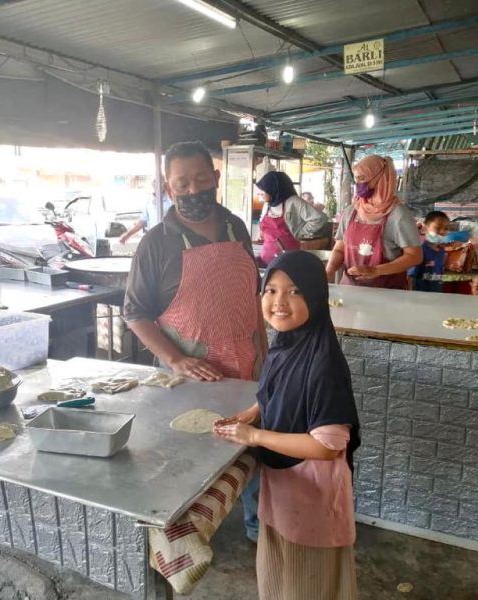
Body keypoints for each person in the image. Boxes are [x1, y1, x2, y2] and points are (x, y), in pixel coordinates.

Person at [124, 140, 266, 541]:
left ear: (216, 178)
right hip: (192, 376)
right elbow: (135, 313)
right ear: (168, 188)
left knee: (254, 446)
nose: (192, 190)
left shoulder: (236, 226)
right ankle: (187, 537)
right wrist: (176, 360)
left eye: (201, 179)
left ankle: (258, 527)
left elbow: (251, 296)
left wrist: (267, 353)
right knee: (190, 455)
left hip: (248, 365)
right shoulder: (156, 243)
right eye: (182, 183)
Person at [214, 251, 360, 600]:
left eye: (295, 291)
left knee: (307, 585)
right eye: (271, 290)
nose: (279, 302)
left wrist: (255, 435)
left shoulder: (323, 363)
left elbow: (327, 446)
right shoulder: (288, 343)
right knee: (278, 576)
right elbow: (278, 389)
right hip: (283, 487)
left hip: (311, 497)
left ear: (316, 297)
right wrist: (254, 411)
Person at [326, 155, 422, 288]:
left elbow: (414, 256)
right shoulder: (351, 211)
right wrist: (328, 271)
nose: (358, 184)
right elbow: (339, 249)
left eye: (362, 178)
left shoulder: (399, 215)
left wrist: (376, 270)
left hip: (387, 291)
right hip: (350, 289)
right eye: (356, 179)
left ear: (380, 178)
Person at [256, 171, 330, 266]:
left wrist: (299, 232)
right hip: (266, 259)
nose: (259, 193)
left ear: (273, 188)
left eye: (263, 190)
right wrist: (261, 234)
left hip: (288, 260)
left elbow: (319, 219)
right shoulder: (268, 205)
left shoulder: (293, 201)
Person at [408, 211, 450, 293]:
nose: (442, 232)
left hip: (436, 292)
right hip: (419, 294)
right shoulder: (419, 250)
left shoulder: (441, 250)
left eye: (446, 228)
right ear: (424, 228)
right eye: (438, 228)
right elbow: (410, 277)